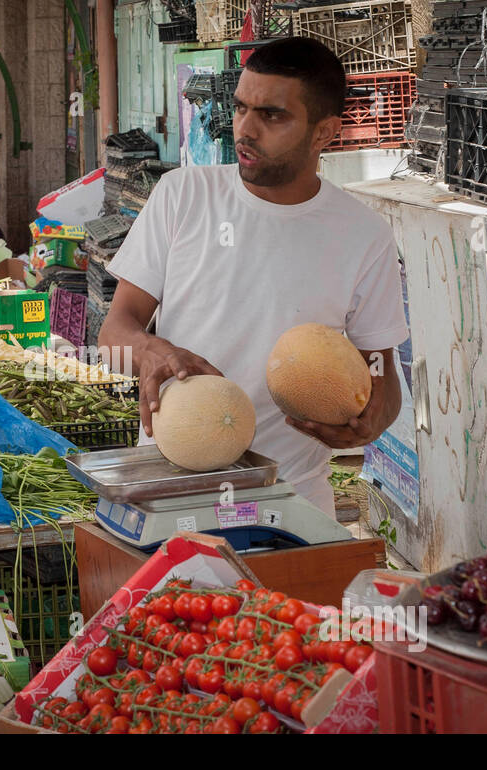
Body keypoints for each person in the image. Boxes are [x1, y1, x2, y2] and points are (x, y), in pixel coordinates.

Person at [98, 37, 408, 518]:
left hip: (294, 499)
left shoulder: (364, 234)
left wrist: (372, 420)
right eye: (241, 108)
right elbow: (113, 334)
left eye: (272, 115)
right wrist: (154, 351)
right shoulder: (183, 195)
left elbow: (380, 368)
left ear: (325, 132)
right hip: (171, 489)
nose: (245, 129)